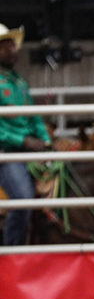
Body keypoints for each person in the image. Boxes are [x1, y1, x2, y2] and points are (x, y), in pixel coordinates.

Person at [0, 23, 51, 246]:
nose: (13, 50)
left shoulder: (19, 82)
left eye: (12, 45)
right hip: (6, 154)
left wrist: (46, 140)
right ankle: (13, 251)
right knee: (22, 199)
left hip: (27, 148)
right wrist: (24, 141)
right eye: (6, 46)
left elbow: (33, 117)